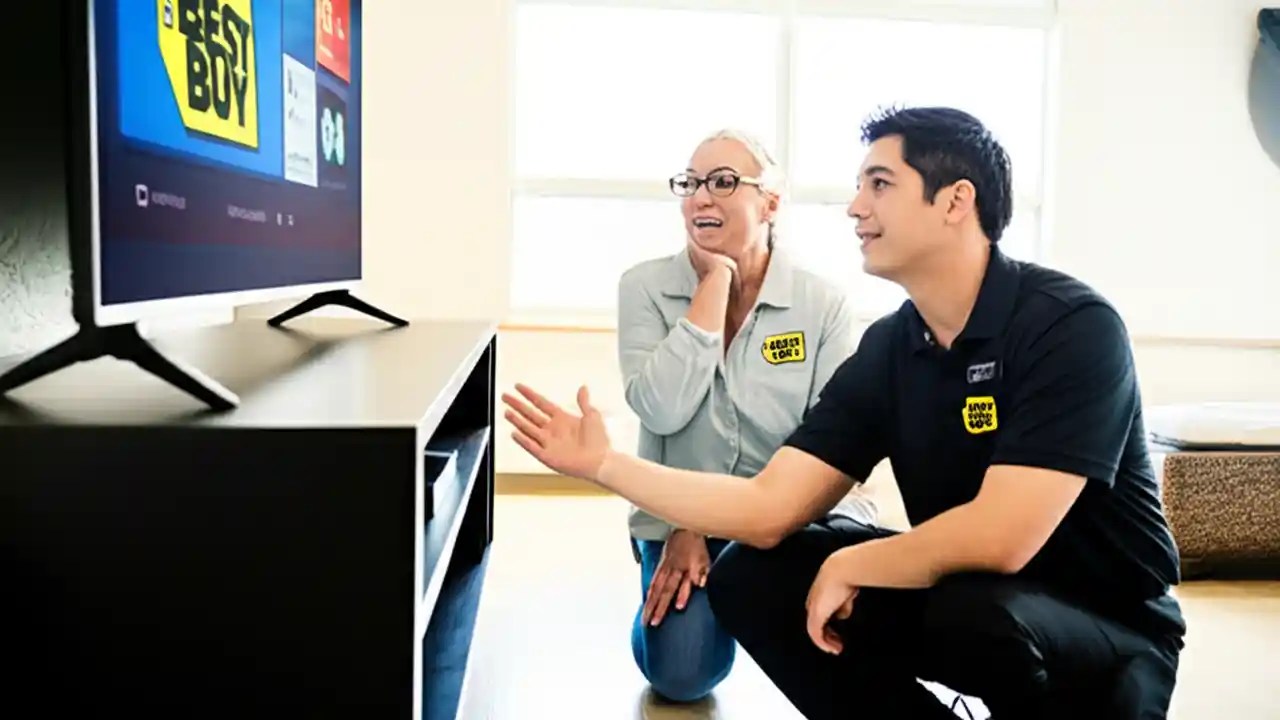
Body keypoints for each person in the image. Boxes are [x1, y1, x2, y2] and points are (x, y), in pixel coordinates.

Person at [503, 106, 1186, 719]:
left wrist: (854, 564)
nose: (855, 207)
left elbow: (1004, 536)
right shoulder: (893, 346)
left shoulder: (1069, 325)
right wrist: (606, 465)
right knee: (753, 574)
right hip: (981, 599)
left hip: (1108, 625)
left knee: (967, 612)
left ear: (955, 202)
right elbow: (770, 506)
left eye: (879, 184)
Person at [616, 128, 878, 704]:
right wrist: (715, 284)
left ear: (771, 203)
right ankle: (662, 593)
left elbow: (832, 441)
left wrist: (729, 525)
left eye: (723, 182)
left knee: (847, 638)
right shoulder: (644, 288)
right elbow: (660, 410)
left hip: (792, 515)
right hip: (680, 516)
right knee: (683, 675)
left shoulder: (822, 305)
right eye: (690, 183)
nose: (700, 198)